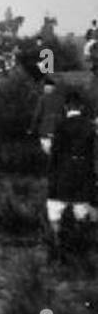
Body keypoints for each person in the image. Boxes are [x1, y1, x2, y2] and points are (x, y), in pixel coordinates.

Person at [46, 90, 96, 246]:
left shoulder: (60, 125)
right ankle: (80, 240)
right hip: (84, 170)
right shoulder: (90, 126)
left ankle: (57, 241)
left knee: (55, 207)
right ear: (81, 107)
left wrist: (51, 173)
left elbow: (55, 152)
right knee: (81, 205)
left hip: (64, 169)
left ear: (66, 107)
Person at [33, 76, 67, 156]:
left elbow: (37, 114)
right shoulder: (61, 99)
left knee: (46, 154)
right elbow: (64, 113)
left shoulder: (42, 99)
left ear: (45, 88)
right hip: (59, 130)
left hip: (45, 130)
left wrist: (32, 128)